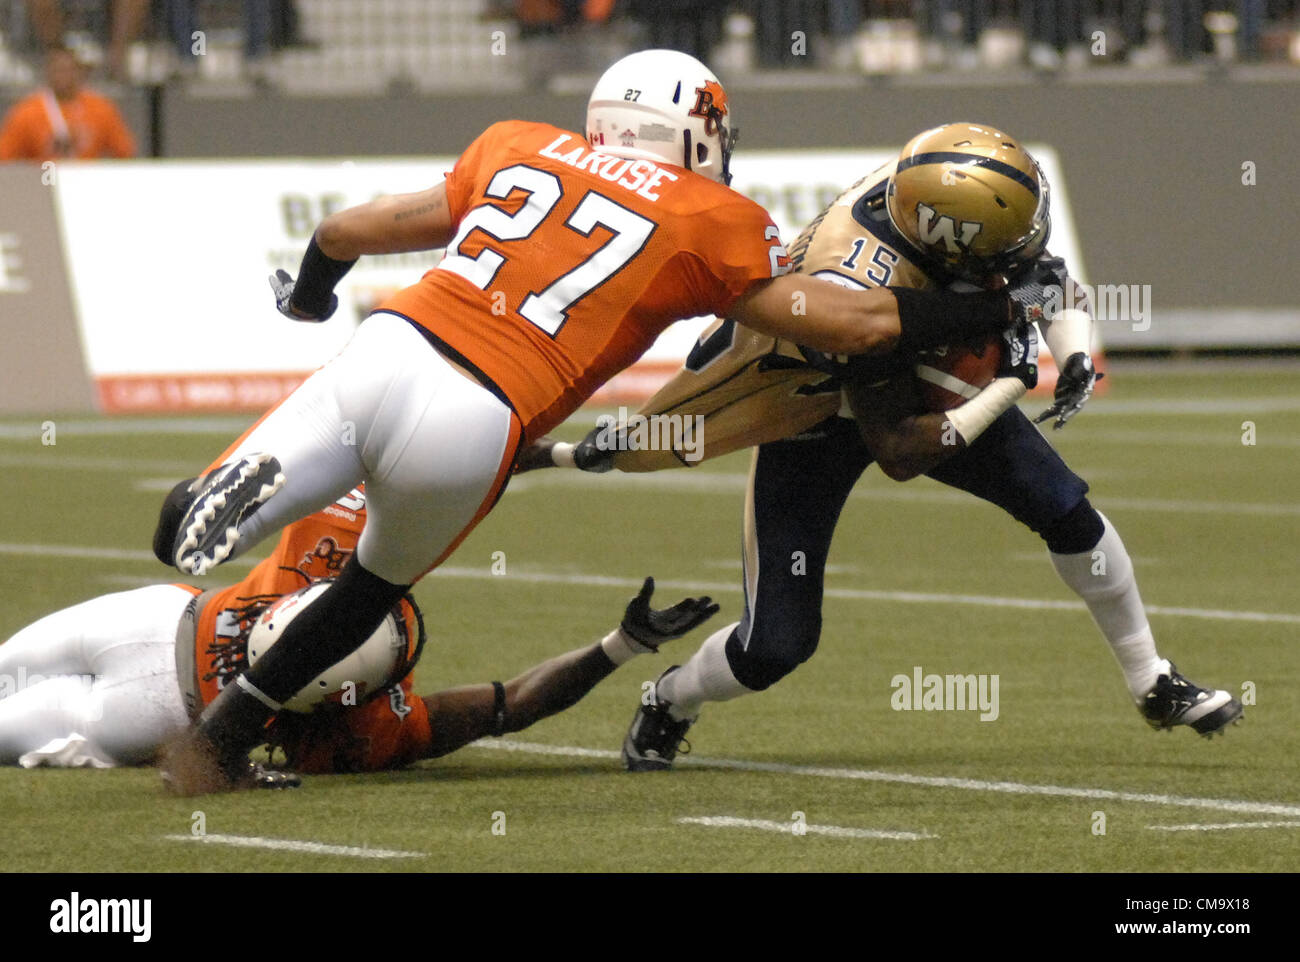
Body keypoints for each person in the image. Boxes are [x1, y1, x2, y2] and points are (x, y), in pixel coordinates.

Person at [154, 50, 1021, 794]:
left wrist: (309, 300)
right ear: (687, 131)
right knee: (365, 596)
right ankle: (218, 744)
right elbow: (859, 325)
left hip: (392, 345)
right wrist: (988, 313)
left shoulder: (516, 144)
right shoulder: (710, 220)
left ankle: (196, 506)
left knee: (184, 526)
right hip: (480, 418)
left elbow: (347, 229)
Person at [523, 122, 1244, 769]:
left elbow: (1039, 280)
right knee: (776, 645)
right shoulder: (853, 282)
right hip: (810, 404)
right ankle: (672, 697)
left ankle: (1151, 678)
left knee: (1066, 509)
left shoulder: (930, 196)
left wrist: (1076, 353)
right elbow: (900, 447)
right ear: (942, 236)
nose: (1024, 244)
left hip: (910, 354)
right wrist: (1008, 383)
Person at [0, 486, 717, 783]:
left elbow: (506, 705)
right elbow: (509, 705)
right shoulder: (366, 718)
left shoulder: (333, 549)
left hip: (154, 647)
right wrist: (617, 648)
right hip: (153, 668)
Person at [0, 45, 135, 162]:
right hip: (43, 182)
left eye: (68, 70)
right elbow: (5, 157)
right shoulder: (28, 111)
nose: (63, 76)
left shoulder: (100, 108)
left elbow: (125, 152)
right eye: (58, 70)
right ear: (48, 72)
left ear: (79, 72)